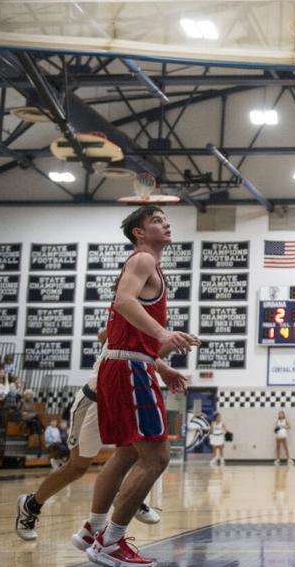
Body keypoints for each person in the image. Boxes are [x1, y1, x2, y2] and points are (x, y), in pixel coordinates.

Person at [84, 205, 197, 567]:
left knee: (128, 453)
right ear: (139, 232)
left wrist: (160, 365)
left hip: (126, 364)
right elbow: (123, 301)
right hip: (128, 369)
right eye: (156, 220)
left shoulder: (146, 264)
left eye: (165, 219)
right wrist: (163, 333)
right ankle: (110, 542)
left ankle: (93, 529)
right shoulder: (142, 260)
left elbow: (113, 330)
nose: (165, 224)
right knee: (157, 458)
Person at [15, 328, 165, 545]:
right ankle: (31, 504)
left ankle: (125, 497)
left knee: (135, 453)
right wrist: (169, 342)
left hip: (122, 399)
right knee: (77, 467)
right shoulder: (130, 310)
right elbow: (104, 334)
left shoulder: (145, 318)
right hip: (94, 402)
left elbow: (104, 336)